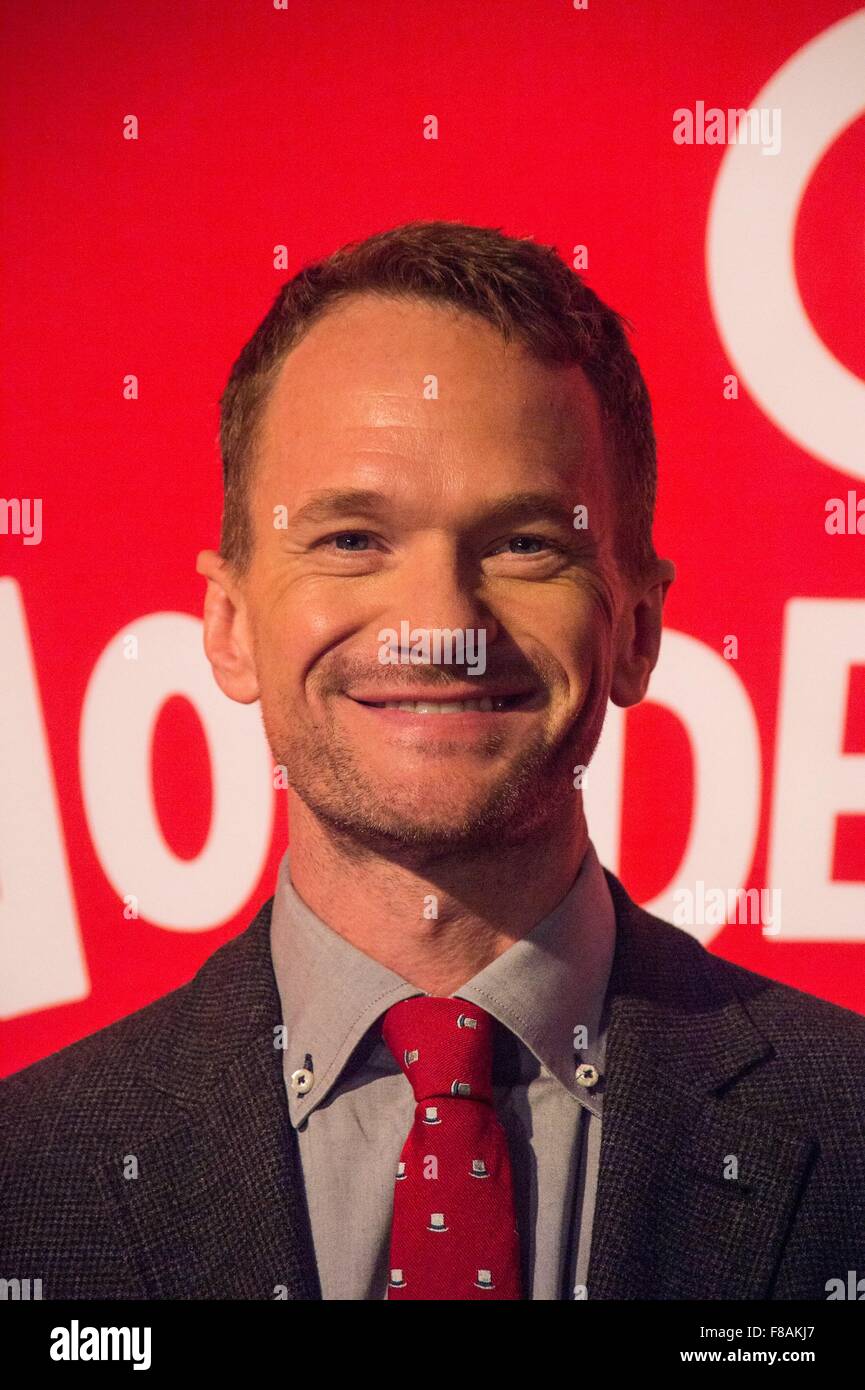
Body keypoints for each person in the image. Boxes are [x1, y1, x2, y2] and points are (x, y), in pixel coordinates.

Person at [3, 221, 864, 1300]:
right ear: (226, 627)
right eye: (352, 539)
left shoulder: (851, 1133)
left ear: (637, 627)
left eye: (522, 543)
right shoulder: (27, 1176)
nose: (438, 625)